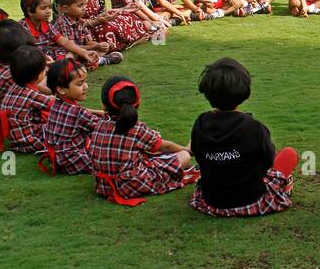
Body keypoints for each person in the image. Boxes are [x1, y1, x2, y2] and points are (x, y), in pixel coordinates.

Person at [189, 58, 300, 217]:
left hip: (212, 199)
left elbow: (199, 156)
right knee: (289, 154)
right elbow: (267, 161)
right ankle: (282, 188)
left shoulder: (200, 124)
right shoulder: (254, 128)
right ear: (245, 91)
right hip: (250, 197)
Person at [90, 77, 196, 205]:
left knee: (149, 154)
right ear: (137, 102)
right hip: (131, 185)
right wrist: (187, 150)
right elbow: (165, 147)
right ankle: (185, 160)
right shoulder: (137, 129)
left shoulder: (99, 124)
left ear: (103, 105)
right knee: (183, 156)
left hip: (104, 186)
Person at [40, 58, 102, 175]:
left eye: (85, 81)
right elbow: (103, 129)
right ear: (61, 89)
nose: (86, 87)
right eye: (80, 83)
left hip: (57, 159)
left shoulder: (56, 103)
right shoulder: (77, 112)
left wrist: (98, 112)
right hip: (74, 161)